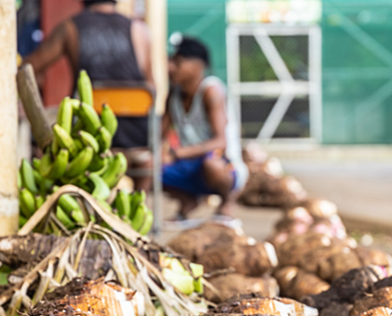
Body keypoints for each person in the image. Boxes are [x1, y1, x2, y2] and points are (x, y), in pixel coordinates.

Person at [24, 0, 154, 190]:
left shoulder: (69, 27)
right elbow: (151, 86)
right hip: (137, 136)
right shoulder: (138, 29)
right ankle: (142, 201)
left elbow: (30, 68)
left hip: (87, 134)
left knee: (45, 129)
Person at [162, 37, 247, 220]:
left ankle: (226, 202)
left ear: (197, 66)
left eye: (177, 62)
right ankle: (188, 201)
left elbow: (220, 141)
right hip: (188, 166)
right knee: (149, 166)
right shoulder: (173, 95)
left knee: (212, 165)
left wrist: (178, 153)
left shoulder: (211, 91)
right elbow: (160, 133)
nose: (170, 67)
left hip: (220, 162)